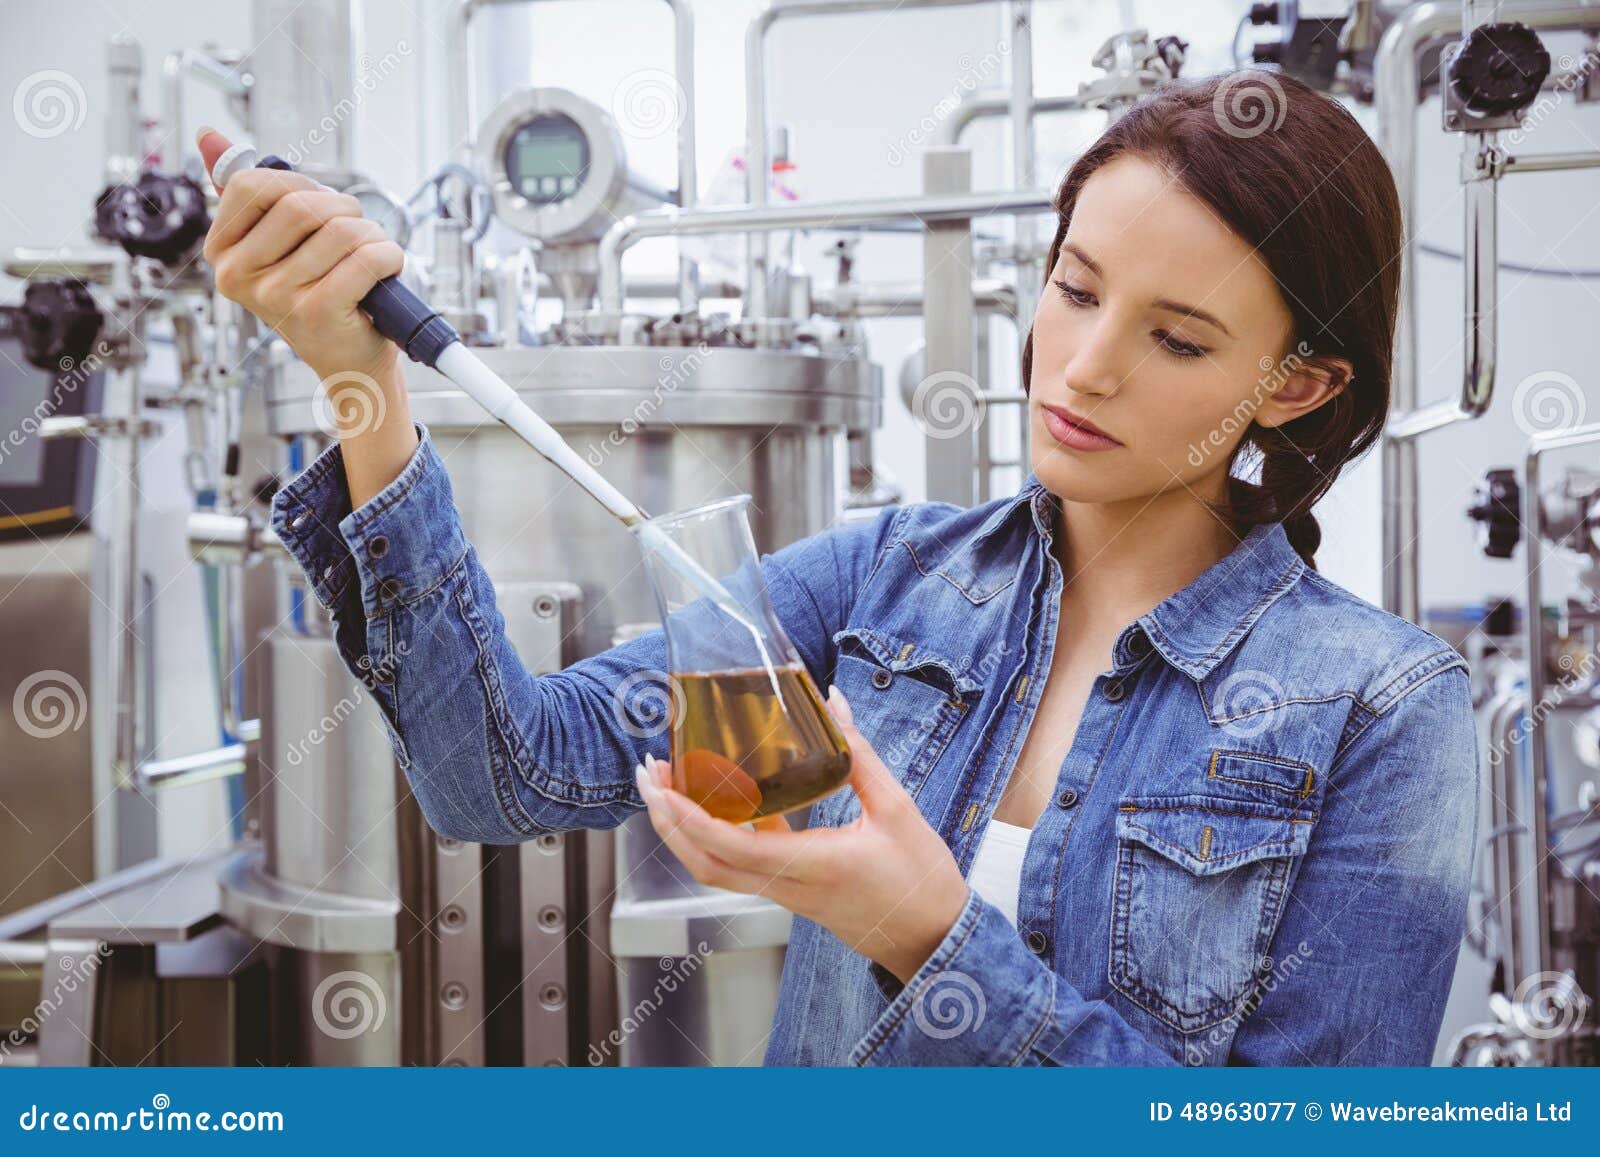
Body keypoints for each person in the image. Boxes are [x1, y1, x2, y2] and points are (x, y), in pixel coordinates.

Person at [199, 68, 1479, 1067]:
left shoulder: (1376, 710)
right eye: (1074, 288)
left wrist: (925, 934)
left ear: (1295, 384)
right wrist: (362, 384)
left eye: (1179, 340)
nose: (1083, 365)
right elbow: (505, 773)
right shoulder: (893, 590)